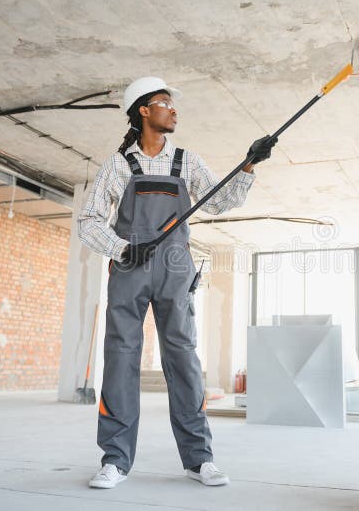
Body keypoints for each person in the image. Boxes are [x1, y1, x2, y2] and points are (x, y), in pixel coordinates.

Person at [78, 76, 274, 489]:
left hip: (175, 269)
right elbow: (89, 221)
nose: (174, 110)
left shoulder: (187, 161)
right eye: (166, 103)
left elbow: (220, 201)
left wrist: (250, 163)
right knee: (120, 360)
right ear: (144, 111)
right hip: (130, 268)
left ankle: (199, 459)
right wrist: (121, 249)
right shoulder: (117, 165)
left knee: (183, 362)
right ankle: (115, 459)